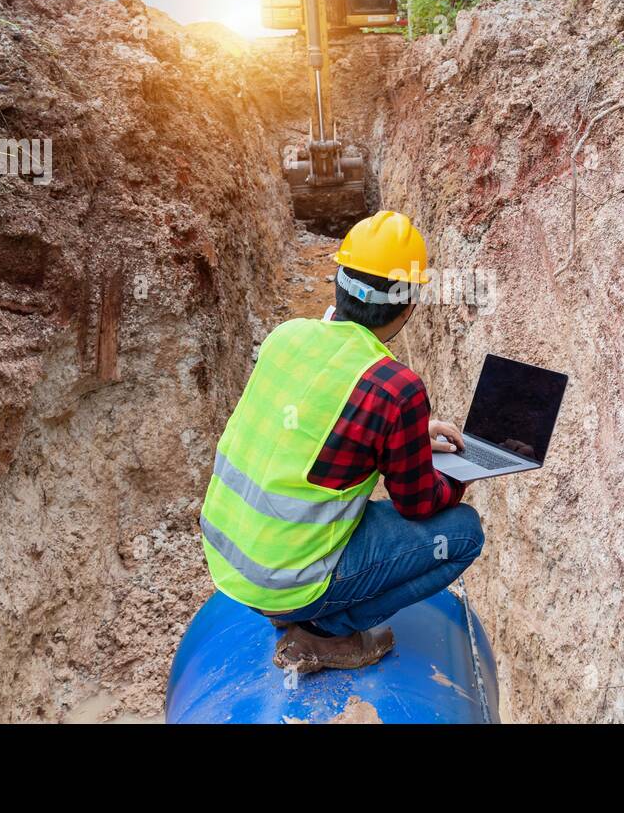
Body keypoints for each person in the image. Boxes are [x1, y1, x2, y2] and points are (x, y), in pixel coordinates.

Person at [198, 210, 484, 673]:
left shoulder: (287, 337)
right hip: (289, 583)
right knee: (466, 533)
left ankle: (293, 610)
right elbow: (418, 504)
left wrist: (409, 437)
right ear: (408, 306)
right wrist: (462, 476)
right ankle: (324, 635)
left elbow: (309, 425)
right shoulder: (396, 386)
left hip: (230, 563)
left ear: (338, 283)